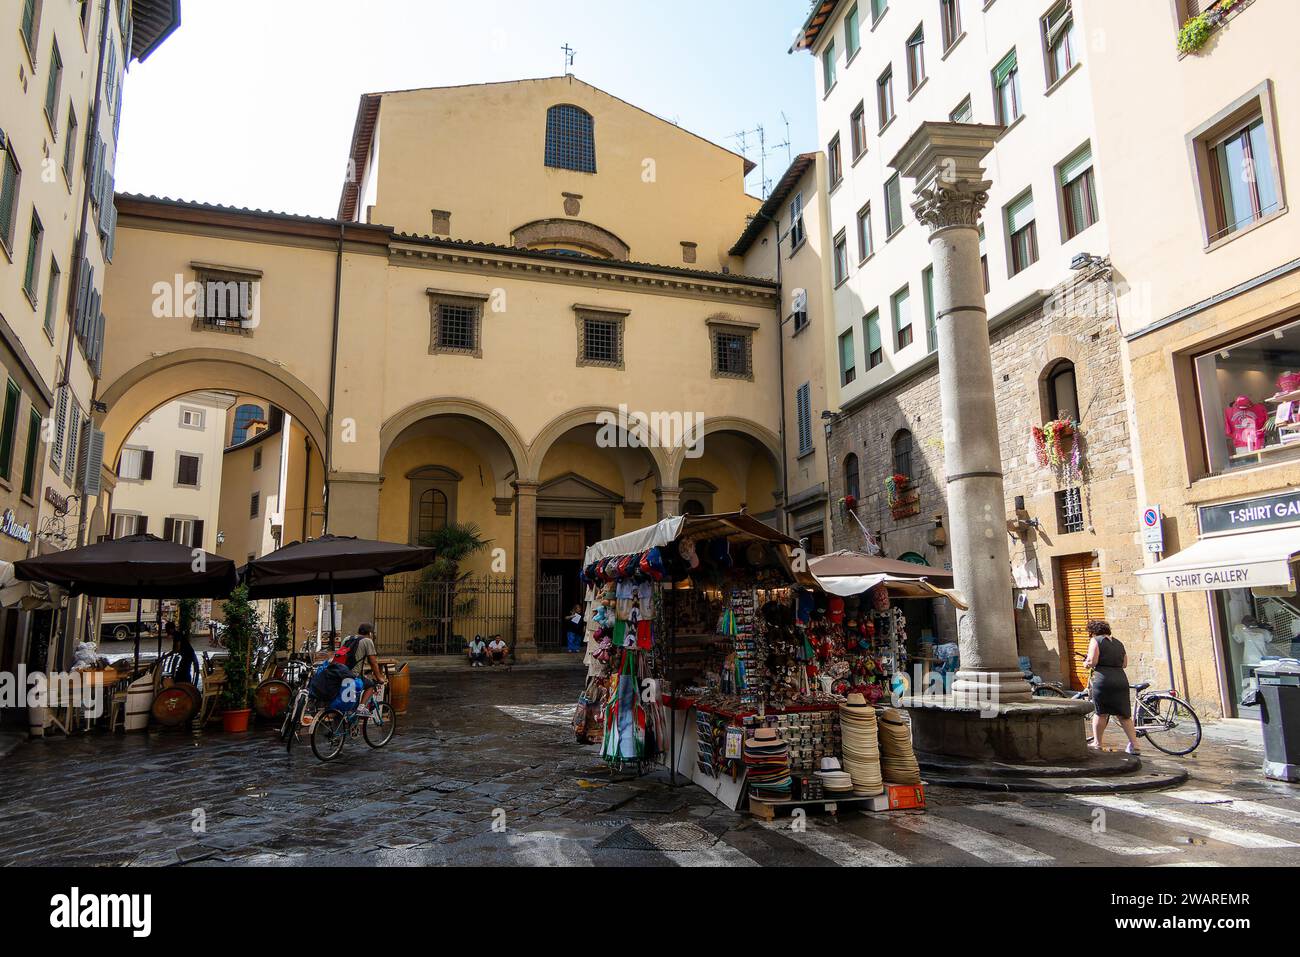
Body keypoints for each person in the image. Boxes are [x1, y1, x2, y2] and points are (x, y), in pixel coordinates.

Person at [1083, 619, 1142, 755]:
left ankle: (1097, 742)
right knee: (1124, 715)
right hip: (1121, 680)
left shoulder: (1095, 640)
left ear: (1093, 632)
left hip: (1103, 680)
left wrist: (1085, 663)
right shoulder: (1118, 643)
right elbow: (1125, 663)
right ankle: (1135, 744)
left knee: (1101, 712)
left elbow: (1092, 661)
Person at [344, 623, 385, 716]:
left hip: (341, 672)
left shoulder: (348, 639)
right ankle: (361, 708)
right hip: (354, 675)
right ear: (370, 633)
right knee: (370, 685)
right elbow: (373, 662)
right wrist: (379, 678)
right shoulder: (367, 641)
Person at [167, 621, 200, 687]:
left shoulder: (177, 635)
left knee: (183, 672)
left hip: (187, 655)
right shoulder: (176, 634)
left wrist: (171, 653)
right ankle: (185, 685)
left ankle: (185, 686)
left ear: (171, 629)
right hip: (187, 654)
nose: (166, 630)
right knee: (183, 670)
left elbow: (178, 648)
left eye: (167, 629)